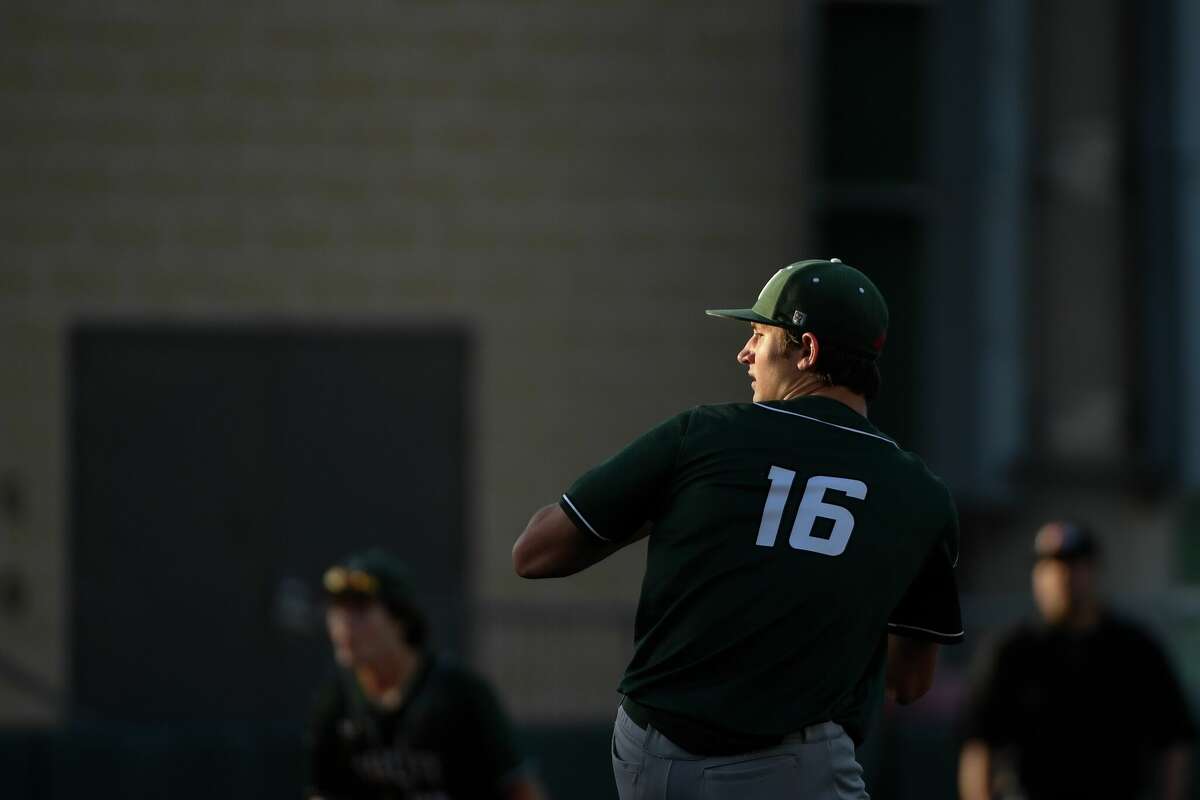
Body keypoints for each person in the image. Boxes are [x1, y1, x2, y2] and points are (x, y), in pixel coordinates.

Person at [513, 258, 964, 799]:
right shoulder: (922, 495)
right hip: (797, 764)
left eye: (758, 334)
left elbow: (535, 554)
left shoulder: (704, 436)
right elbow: (909, 682)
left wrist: (669, 508)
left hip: (655, 760)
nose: (744, 353)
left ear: (807, 350)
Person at [958, 521, 1194, 800]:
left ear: (1094, 570)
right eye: (1051, 566)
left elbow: (1174, 740)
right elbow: (979, 747)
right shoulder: (1012, 651)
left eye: (1074, 565)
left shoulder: (1134, 649)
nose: (1062, 577)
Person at [307, 548, 545, 800]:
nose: (343, 624)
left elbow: (519, 789)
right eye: (337, 609)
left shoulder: (459, 695)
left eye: (360, 610)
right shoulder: (335, 704)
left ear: (400, 619)